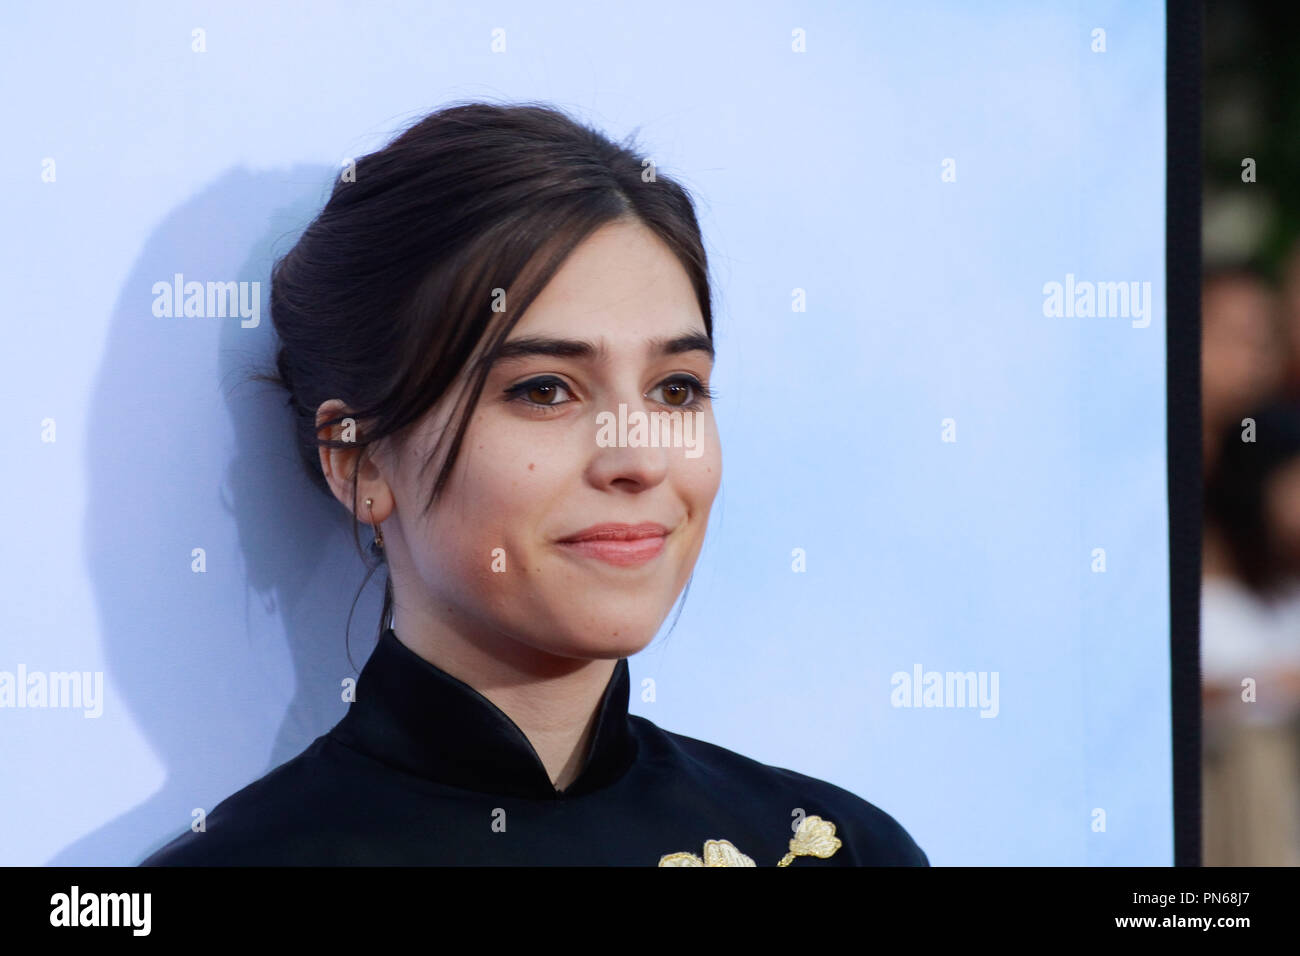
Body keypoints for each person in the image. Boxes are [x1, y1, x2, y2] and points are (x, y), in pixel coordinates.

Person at [141, 101, 928, 866]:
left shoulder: (834, 847)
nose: (640, 458)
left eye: (677, 389)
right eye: (545, 389)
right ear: (361, 461)